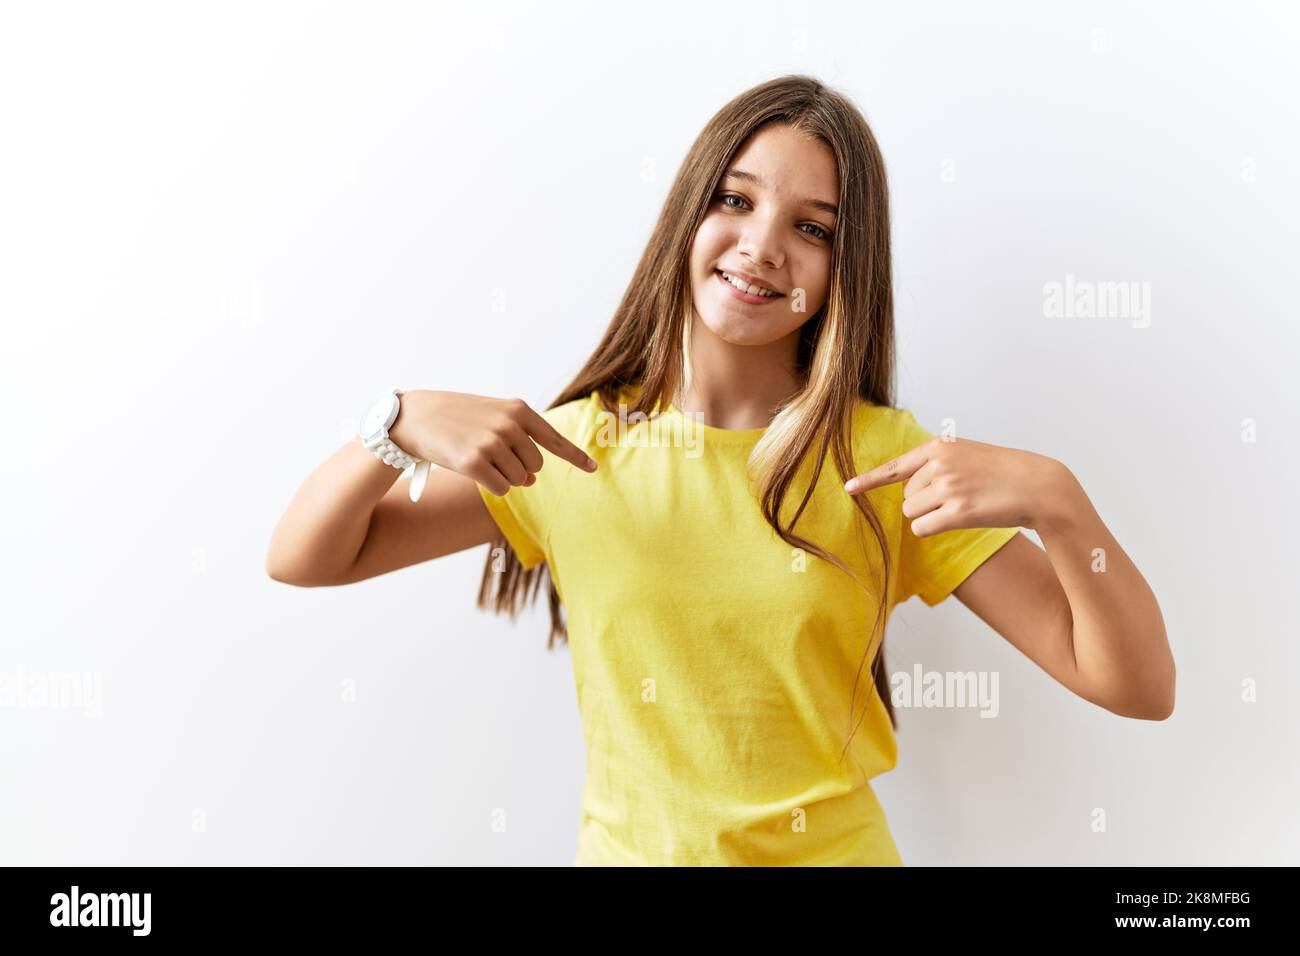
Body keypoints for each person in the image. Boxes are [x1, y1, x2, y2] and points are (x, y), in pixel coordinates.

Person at [266, 74, 1175, 866]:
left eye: (811, 227)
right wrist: (394, 424)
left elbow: (1136, 688)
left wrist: (1064, 506)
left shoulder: (884, 462)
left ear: (841, 266)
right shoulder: (575, 450)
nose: (763, 245)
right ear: (687, 216)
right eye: (735, 202)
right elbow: (308, 557)